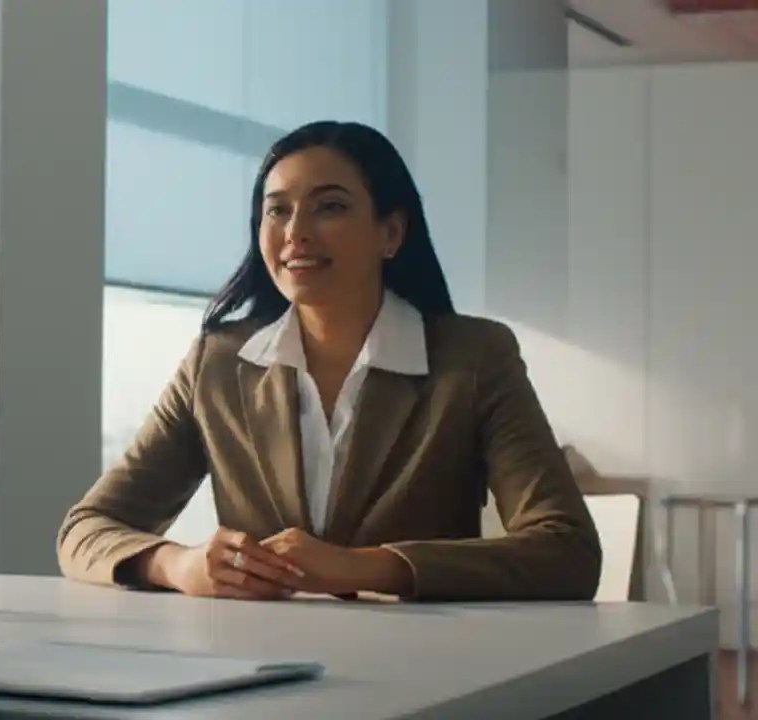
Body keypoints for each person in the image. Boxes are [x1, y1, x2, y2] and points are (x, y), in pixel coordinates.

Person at [58, 120, 602, 602]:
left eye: (331, 207)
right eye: (277, 210)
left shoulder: (474, 358)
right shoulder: (218, 364)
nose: (295, 232)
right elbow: (87, 529)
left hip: (428, 672)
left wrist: (366, 567)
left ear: (391, 232)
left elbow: (567, 550)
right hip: (261, 675)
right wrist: (177, 564)